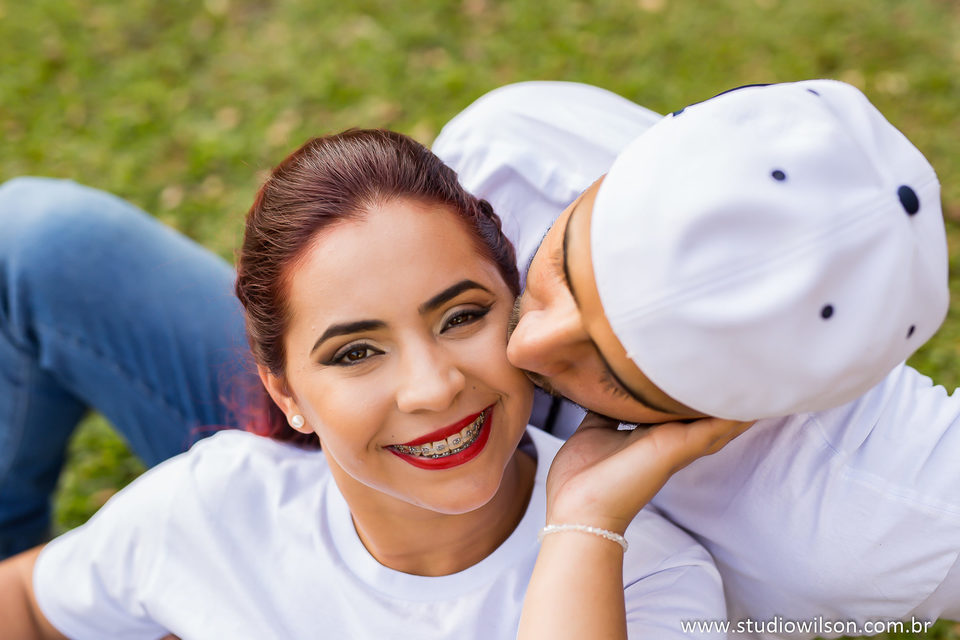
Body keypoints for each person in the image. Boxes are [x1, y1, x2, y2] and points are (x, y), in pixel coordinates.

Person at [1, 79, 957, 638]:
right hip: (341, 482)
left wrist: (586, 519)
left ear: (714, 415)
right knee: (41, 243)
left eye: (609, 374)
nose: (524, 347)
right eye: (554, 280)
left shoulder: (858, 520)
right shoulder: (522, 146)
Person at [433, 79, 960, 636]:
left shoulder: (879, 513)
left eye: (612, 374)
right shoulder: (509, 155)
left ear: (735, 415)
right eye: (562, 266)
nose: (525, 344)